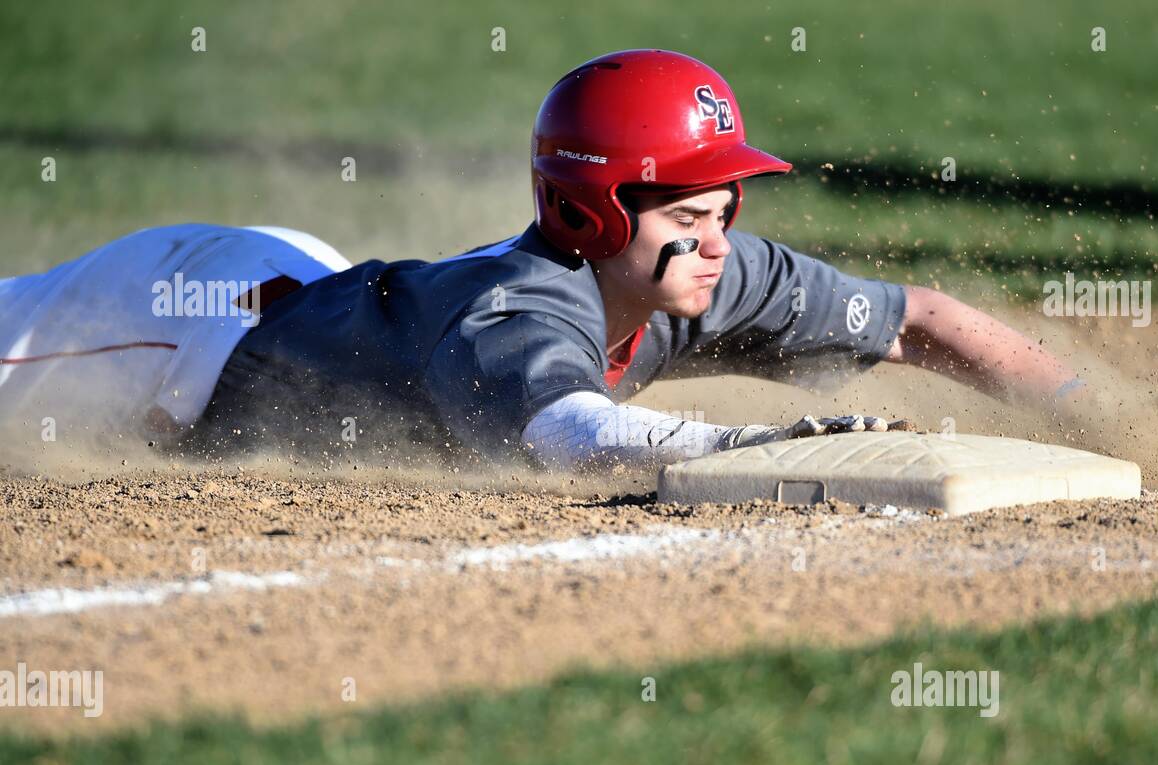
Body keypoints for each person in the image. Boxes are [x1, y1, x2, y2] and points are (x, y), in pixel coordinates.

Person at [0, 49, 1086, 471]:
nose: (717, 238)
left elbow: (915, 319)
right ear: (590, 208)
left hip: (306, 295)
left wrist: (1101, 418)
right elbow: (575, 432)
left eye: (724, 205)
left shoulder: (706, 269)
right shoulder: (523, 311)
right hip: (179, 329)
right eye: (685, 211)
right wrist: (753, 444)